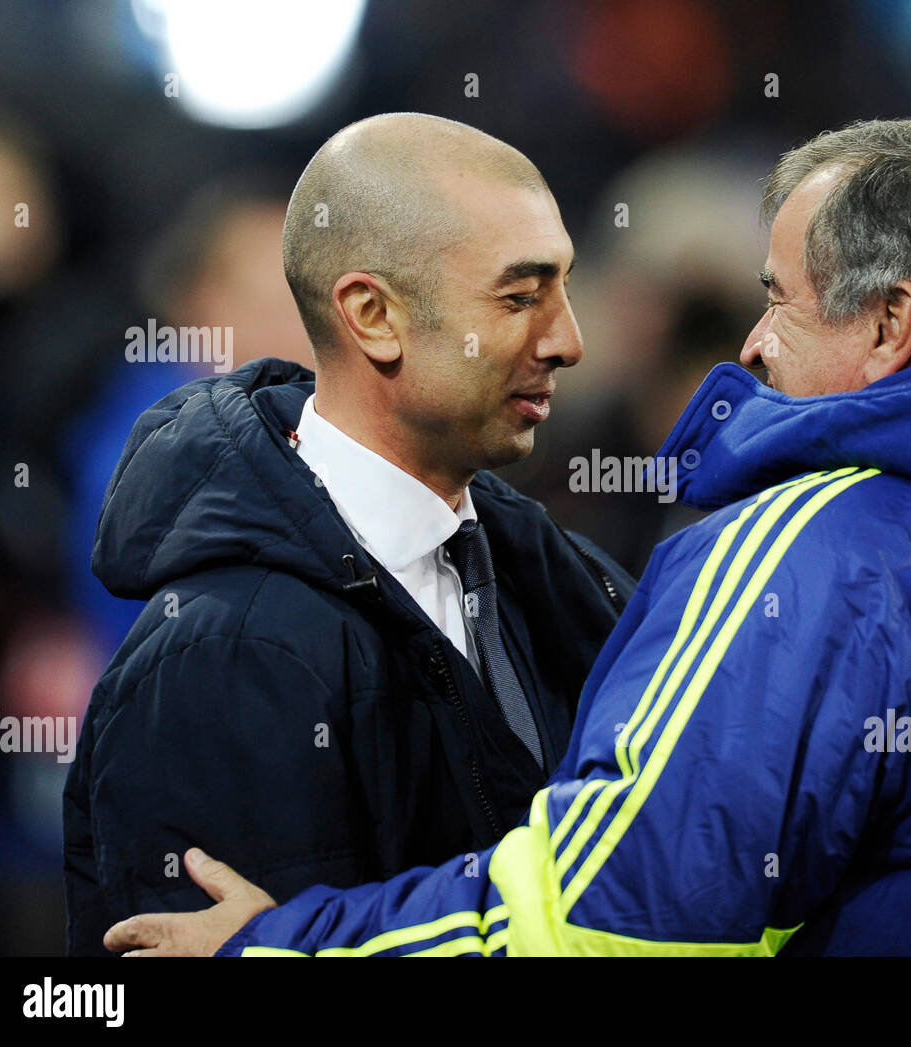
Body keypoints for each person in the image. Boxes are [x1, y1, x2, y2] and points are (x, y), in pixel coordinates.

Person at [106, 117, 911, 957]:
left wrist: (282, 951)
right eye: (524, 296)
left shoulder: (819, 550)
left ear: (889, 322)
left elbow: (608, 914)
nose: (752, 347)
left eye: (778, 297)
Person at [64, 114, 634, 955]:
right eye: (520, 296)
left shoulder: (558, 581)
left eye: (564, 287)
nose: (568, 339)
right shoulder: (225, 656)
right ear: (372, 315)